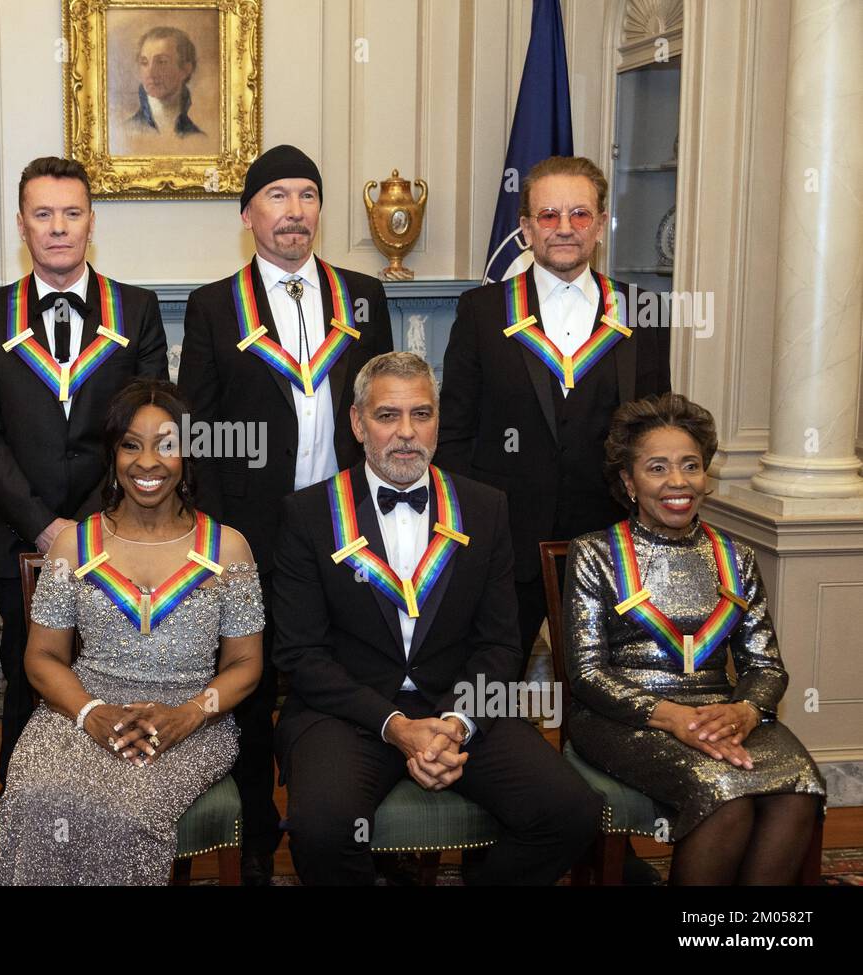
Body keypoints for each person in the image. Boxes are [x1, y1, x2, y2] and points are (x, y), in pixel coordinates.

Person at [273, 352, 601, 885]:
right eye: (387, 416)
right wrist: (398, 728)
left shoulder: (485, 507)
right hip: (349, 713)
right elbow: (301, 655)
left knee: (569, 812)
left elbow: (499, 645)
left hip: (461, 704)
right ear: (357, 423)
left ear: (438, 421)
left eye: (421, 414)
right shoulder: (308, 513)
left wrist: (452, 725)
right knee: (321, 828)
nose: (406, 433)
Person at [178, 144, 394, 882]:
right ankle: (256, 843)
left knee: (342, 676)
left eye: (307, 195)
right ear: (249, 215)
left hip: (346, 534)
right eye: (277, 196)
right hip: (248, 537)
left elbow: (386, 415)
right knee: (246, 690)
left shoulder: (363, 295)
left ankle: (339, 823)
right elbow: (195, 434)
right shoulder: (214, 305)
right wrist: (215, 538)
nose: (294, 210)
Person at [0, 379, 263, 885]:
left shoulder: (229, 549)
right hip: (79, 708)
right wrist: (92, 713)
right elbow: (43, 657)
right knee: (31, 797)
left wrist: (188, 716)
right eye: (130, 445)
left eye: (166, 445)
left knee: (126, 812)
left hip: (191, 718)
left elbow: (246, 666)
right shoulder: (74, 543)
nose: (147, 462)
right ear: (113, 454)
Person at [0, 156, 168, 786]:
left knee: (119, 675)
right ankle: (23, 822)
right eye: (43, 214)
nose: (58, 227)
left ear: (90, 223)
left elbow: (151, 431)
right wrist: (44, 526)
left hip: (118, 534)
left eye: (71, 213)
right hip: (22, 539)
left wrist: (92, 526)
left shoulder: (135, 310)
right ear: (21, 224)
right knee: (32, 686)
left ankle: (120, 811)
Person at [564, 393, 825, 884]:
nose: (678, 481)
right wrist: (675, 719)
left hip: (722, 712)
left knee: (799, 788)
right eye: (657, 468)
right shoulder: (595, 553)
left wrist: (744, 711)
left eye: (691, 465)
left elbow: (765, 666)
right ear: (629, 481)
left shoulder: (737, 557)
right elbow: (587, 674)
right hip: (623, 717)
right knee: (723, 792)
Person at [437, 155, 671, 675]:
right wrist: (466, 533)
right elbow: (454, 435)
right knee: (487, 689)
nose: (564, 229)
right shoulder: (480, 311)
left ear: (601, 224)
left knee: (610, 686)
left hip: (610, 543)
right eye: (548, 216)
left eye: (579, 215)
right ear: (525, 228)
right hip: (504, 544)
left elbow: (657, 439)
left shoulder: (642, 312)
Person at [125, 26, 204, 139]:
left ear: (185, 70)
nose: (150, 73)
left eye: (161, 62)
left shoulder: (198, 138)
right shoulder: (125, 132)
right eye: (144, 62)